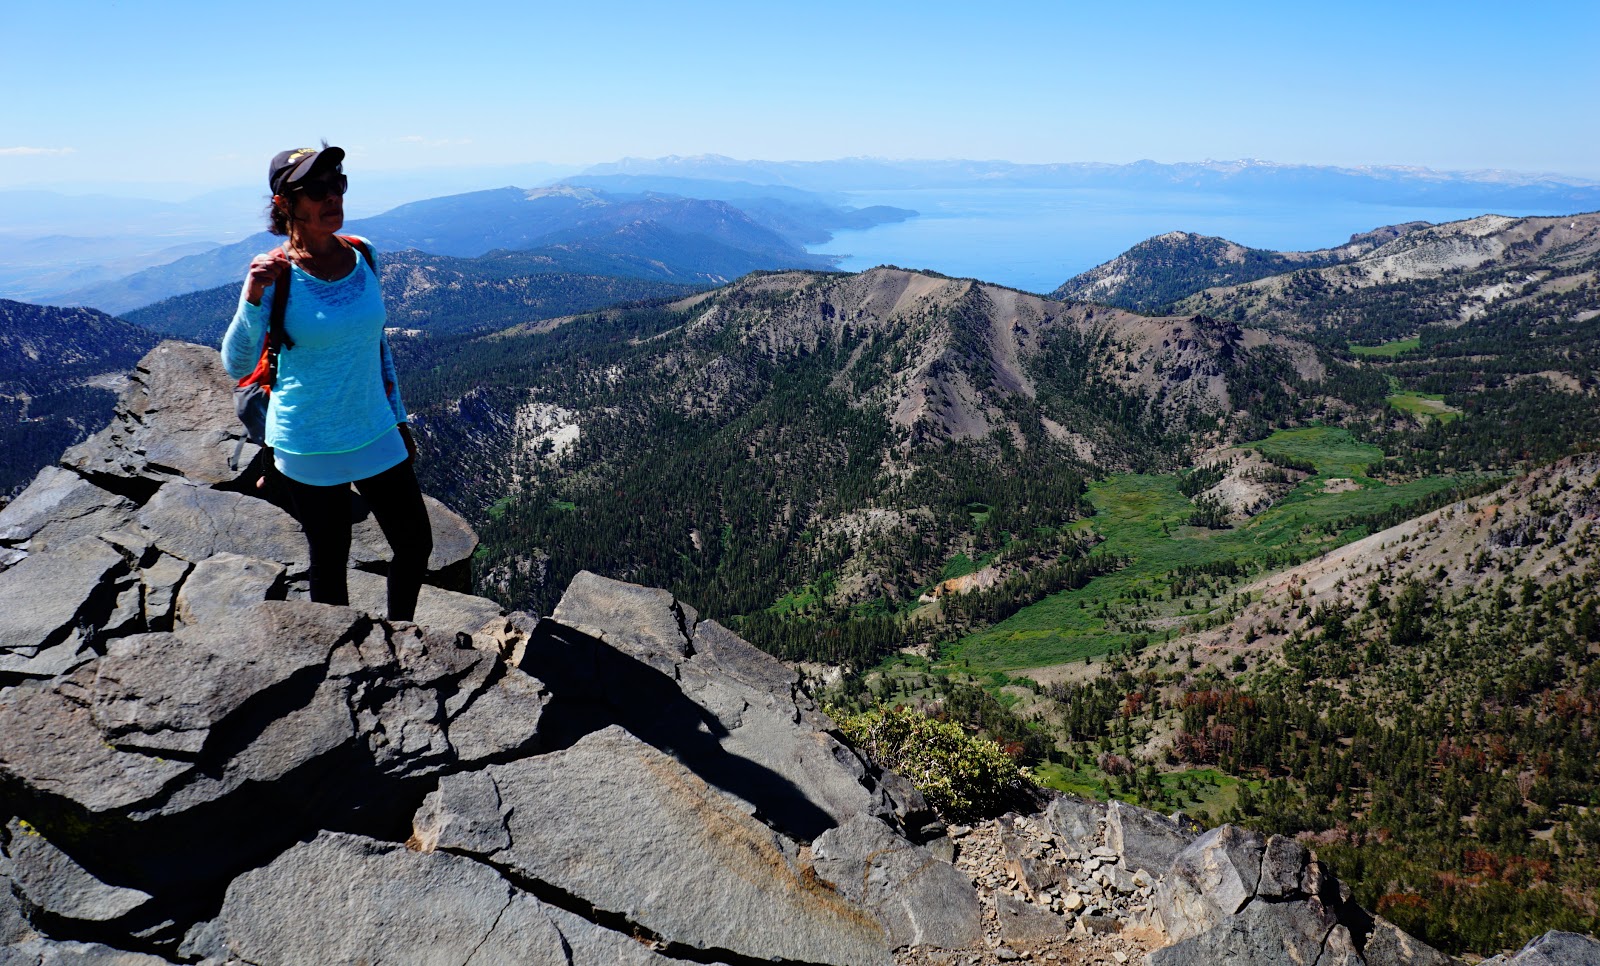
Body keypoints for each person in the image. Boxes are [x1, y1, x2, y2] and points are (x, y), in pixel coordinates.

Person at [221, 144, 431, 621]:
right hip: (308, 440)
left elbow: (378, 348)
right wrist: (253, 295)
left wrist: (398, 420)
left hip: (375, 429)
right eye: (316, 188)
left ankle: (401, 634)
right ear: (284, 204)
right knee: (329, 562)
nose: (332, 195)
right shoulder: (275, 274)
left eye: (338, 183)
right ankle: (342, 659)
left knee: (416, 544)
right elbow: (236, 363)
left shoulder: (363, 254)